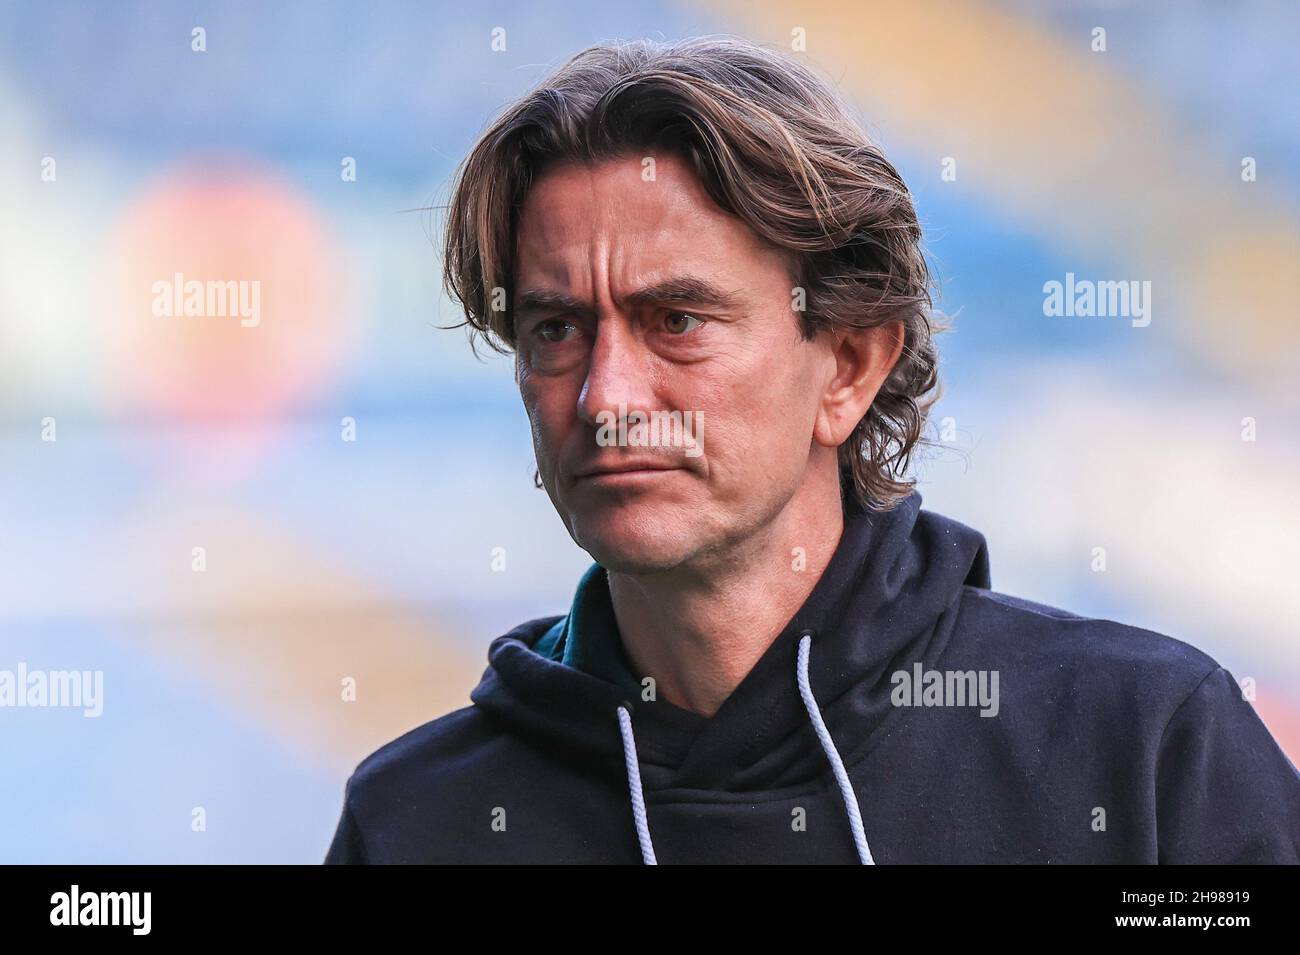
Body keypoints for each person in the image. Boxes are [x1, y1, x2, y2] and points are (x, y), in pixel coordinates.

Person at [324, 35, 1300, 864]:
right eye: (554, 329)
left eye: (676, 318)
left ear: (847, 366)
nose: (604, 395)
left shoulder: (1139, 748)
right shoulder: (417, 823)